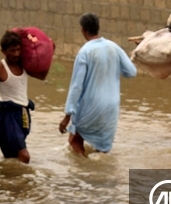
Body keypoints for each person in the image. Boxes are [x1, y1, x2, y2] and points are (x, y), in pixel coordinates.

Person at [58, 13, 137, 155]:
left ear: (82, 29)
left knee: (74, 141)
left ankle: (82, 172)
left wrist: (67, 116)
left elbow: (76, 86)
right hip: (111, 107)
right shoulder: (114, 47)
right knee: (102, 149)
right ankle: (100, 174)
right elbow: (131, 72)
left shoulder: (85, 52)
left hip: (91, 105)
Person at [0, 30, 34, 163]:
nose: (16, 54)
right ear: (3, 51)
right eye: (12, 50)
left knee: (12, 156)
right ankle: (25, 182)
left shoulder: (24, 63)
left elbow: (42, 73)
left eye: (18, 50)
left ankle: (11, 182)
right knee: (24, 155)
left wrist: (50, 48)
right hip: (8, 116)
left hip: (23, 113)